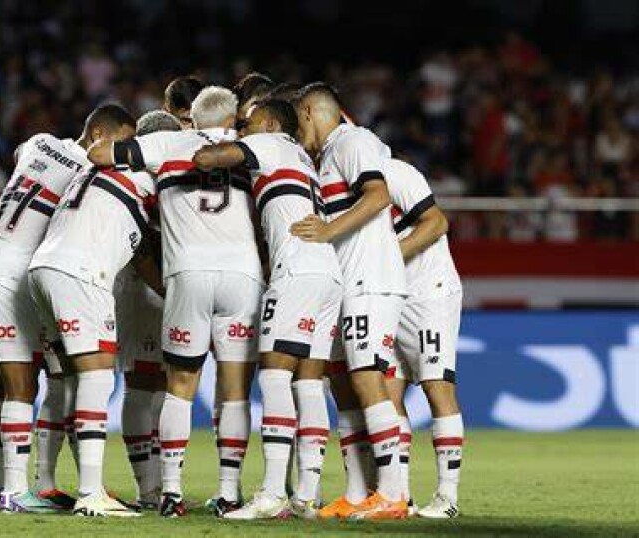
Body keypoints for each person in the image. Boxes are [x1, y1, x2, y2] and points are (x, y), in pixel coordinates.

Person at [88, 86, 264, 518]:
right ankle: (229, 492)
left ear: (192, 118)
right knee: (235, 389)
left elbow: (99, 154)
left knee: (180, 389)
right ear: (233, 118)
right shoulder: (254, 147)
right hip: (243, 275)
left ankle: (168, 493)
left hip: (186, 275)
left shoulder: (167, 143)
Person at [193, 98, 342, 520]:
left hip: (295, 270)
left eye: (248, 122)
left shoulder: (272, 142)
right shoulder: (304, 160)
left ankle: (273, 492)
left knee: (275, 376)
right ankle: (307, 496)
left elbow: (212, 158)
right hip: (327, 274)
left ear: (272, 123)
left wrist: (208, 145)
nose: (242, 127)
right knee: (309, 384)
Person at [0, 107, 113, 511]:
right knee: (23, 388)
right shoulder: (89, 169)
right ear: (98, 134)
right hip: (9, 278)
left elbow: (18, 154)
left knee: (3, 385)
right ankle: (14, 492)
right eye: (117, 140)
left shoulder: (41, 142)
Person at [290, 83, 408, 520]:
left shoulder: (351, 141)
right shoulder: (328, 158)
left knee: (366, 378)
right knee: (345, 386)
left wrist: (326, 231)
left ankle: (393, 493)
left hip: (370, 279)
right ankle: (358, 493)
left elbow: (378, 196)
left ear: (308, 111)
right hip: (346, 284)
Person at [27, 104, 151, 517]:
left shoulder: (85, 171)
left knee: (63, 381)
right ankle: (91, 492)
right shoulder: (142, 175)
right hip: (81, 273)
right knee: (98, 377)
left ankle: (45, 482)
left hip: (42, 269)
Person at [382, 158, 464, 519]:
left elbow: (437, 223)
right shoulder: (338, 186)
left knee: (437, 388)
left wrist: (383, 260)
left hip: (428, 292)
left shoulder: (395, 172)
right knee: (388, 394)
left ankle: (447, 497)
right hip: (387, 296)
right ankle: (400, 495)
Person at [116, 110, 182, 510]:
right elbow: (136, 239)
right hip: (144, 285)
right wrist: (161, 285)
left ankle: (156, 486)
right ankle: (149, 490)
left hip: (160, 284)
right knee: (143, 383)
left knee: (160, 382)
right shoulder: (143, 180)